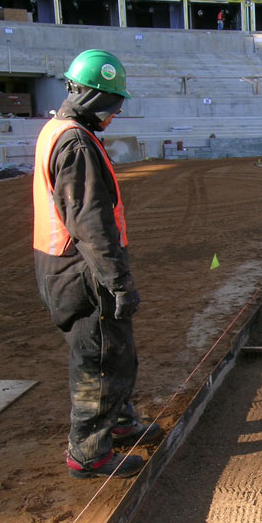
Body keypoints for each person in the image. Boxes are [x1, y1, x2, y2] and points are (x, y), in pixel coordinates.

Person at [33, 49, 161, 479]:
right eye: (111, 105)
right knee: (101, 359)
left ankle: (120, 424)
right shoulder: (75, 143)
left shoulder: (60, 130)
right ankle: (88, 453)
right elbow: (92, 225)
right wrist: (119, 283)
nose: (114, 115)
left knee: (114, 351)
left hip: (65, 265)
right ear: (91, 97)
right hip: (83, 270)